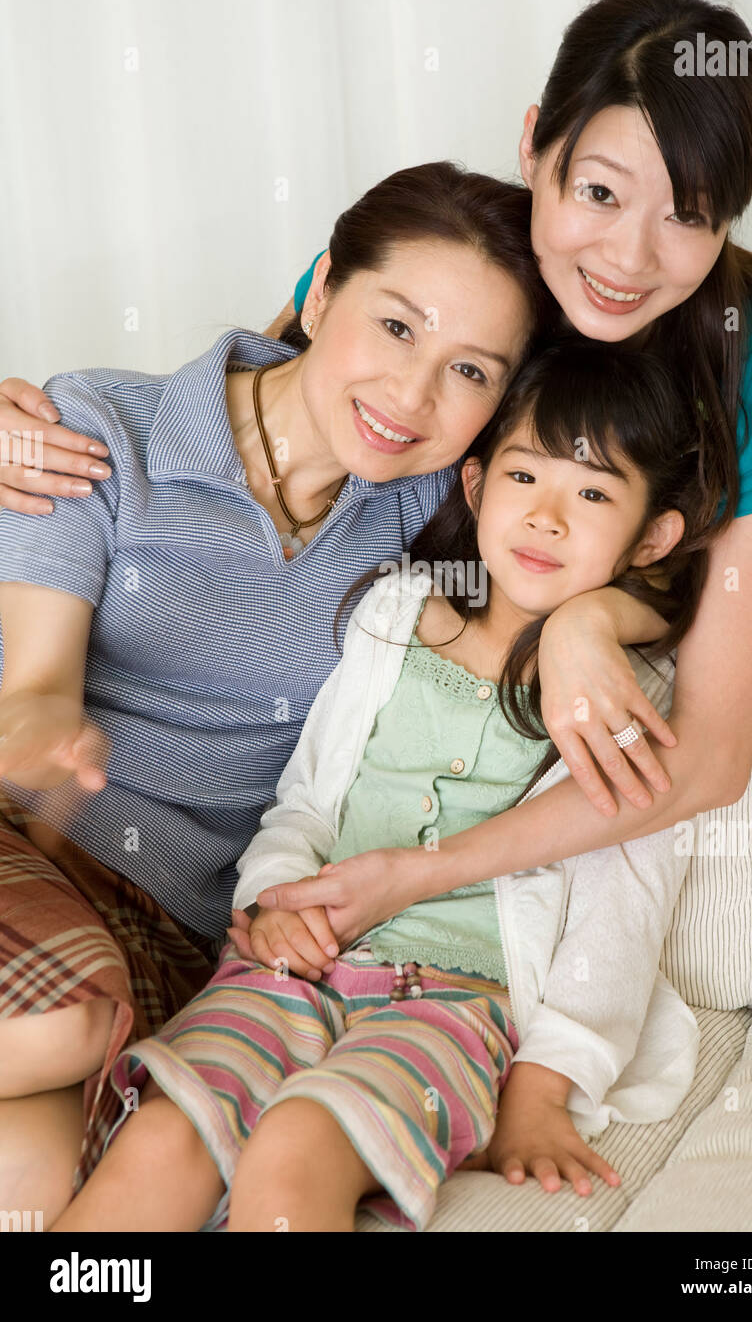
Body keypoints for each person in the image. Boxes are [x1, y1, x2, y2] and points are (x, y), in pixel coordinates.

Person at [0, 0, 752, 1220]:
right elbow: (268, 428)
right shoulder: (421, 300)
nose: (625, 255)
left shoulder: (732, 371)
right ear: (534, 143)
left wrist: (592, 620)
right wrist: (33, 427)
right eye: (596, 191)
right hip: (117, 869)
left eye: (688, 217)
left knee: (66, 1131)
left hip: (274, 934)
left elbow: (677, 688)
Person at [53, 338, 706, 1233]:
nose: (548, 517)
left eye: (593, 494)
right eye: (525, 478)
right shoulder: (395, 613)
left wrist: (546, 1090)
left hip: (454, 1001)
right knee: (165, 1137)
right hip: (288, 967)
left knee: (298, 1141)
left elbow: (620, 917)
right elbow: (308, 800)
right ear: (474, 487)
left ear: (655, 534)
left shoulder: (631, 702)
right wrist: (275, 901)